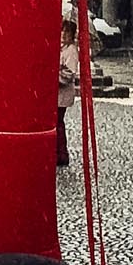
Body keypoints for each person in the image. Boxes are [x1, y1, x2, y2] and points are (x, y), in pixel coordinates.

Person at [57, 17, 79, 167]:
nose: (64, 34)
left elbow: (69, 74)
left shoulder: (71, 50)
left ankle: (61, 154)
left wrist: (55, 72)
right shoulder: (61, 48)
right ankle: (58, 152)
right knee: (57, 123)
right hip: (57, 95)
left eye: (67, 32)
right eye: (62, 31)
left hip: (62, 94)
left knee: (58, 123)